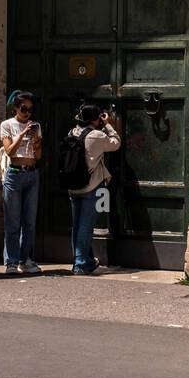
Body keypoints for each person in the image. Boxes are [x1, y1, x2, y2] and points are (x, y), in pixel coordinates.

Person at [66, 103, 121, 275]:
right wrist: (108, 125)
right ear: (96, 119)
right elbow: (115, 144)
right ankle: (81, 264)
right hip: (93, 187)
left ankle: (83, 260)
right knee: (86, 226)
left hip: (74, 186)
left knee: (77, 225)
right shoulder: (97, 135)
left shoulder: (72, 132)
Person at [0, 90, 42, 275]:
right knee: (13, 221)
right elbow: (9, 151)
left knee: (29, 221)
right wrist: (22, 133)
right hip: (15, 174)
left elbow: (39, 155)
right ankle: (11, 261)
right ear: (15, 107)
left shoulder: (36, 126)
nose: (27, 113)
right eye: (23, 108)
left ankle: (26, 260)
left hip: (32, 174)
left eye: (30, 110)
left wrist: (35, 141)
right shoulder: (7, 125)